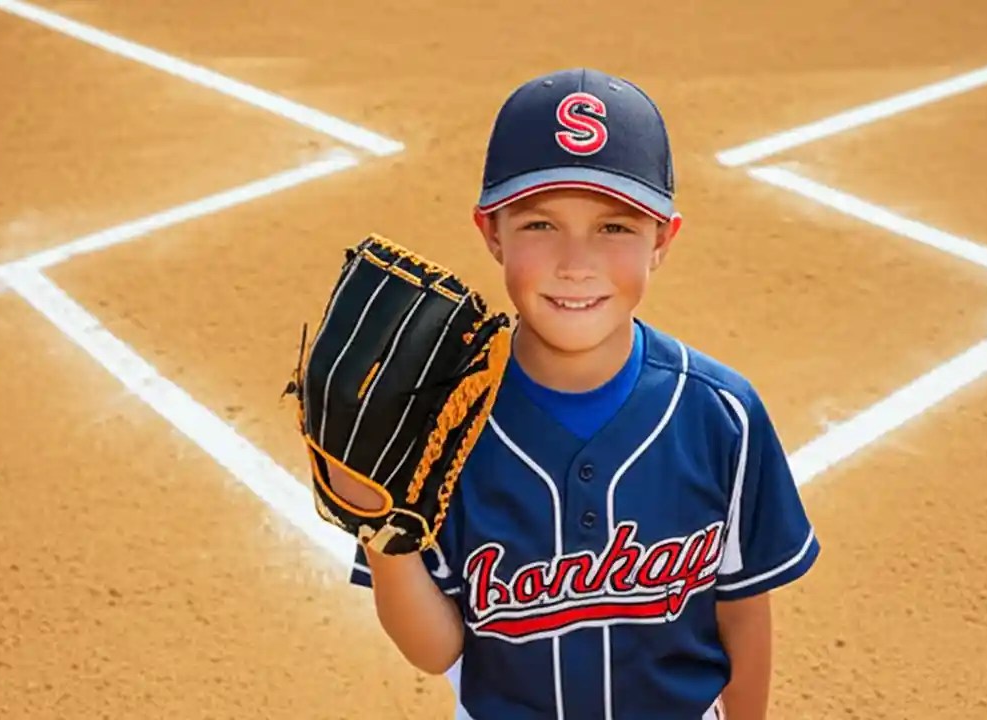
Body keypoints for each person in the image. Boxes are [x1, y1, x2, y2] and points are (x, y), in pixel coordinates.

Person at [334, 67, 821, 720]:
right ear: (491, 231)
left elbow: (743, 612)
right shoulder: (438, 425)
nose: (576, 261)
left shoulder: (722, 415)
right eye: (540, 225)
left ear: (663, 241)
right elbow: (435, 649)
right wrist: (379, 532)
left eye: (615, 228)